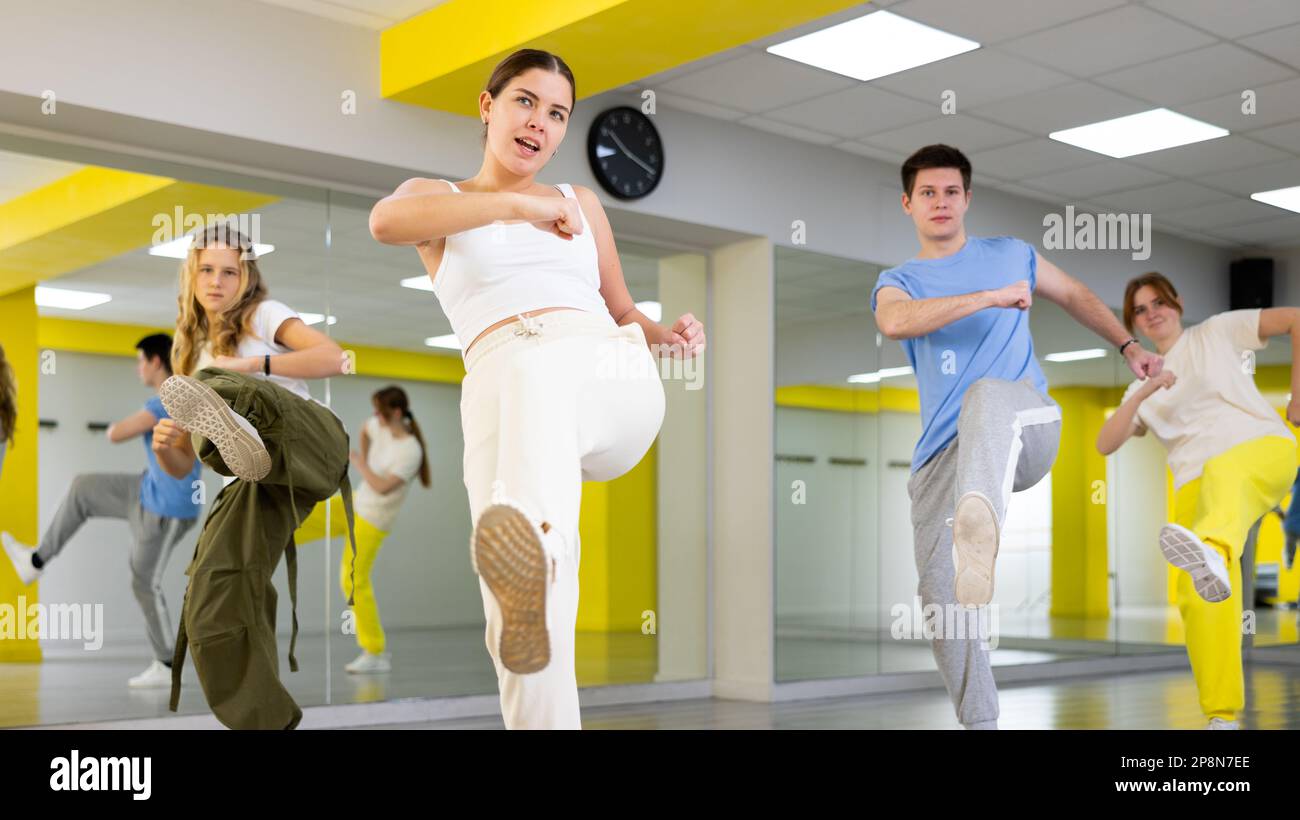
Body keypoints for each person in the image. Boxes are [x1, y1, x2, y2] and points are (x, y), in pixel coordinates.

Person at [370, 48, 705, 729]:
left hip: (606, 376)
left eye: (557, 114)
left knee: (534, 379)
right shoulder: (440, 198)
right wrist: (515, 205)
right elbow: (384, 223)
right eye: (525, 101)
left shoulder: (580, 203)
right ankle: (534, 583)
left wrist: (665, 334)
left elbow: (623, 311)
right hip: (501, 389)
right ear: (487, 106)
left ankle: (539, 553)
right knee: (517, 624)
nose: (539, 124)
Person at [870, 144, 1162, 730]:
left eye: (951, 191)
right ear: (908, 204)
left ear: (967, 199)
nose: (941, 202)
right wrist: (989, 297)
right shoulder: (899, 280)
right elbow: (895, 321)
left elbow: (1077, 294)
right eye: (928, 193)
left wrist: (1128, 345)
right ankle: (981, 722)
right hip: (941, 456)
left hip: (1026, 423)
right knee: (942, 603)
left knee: (985, 394)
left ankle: (981, 519)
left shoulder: (1011, 254)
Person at [150, 223, 356, 730]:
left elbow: (336, 358)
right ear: (190, 275)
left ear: (247, 277)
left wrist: (246, 366)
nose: (217, 281)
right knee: (212, 598)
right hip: (253, 483)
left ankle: (248, 426)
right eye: (206, 270)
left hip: (310, 447)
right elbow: (188, 465)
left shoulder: (265, 314)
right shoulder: (188, 352)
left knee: (216, 379)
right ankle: (267, 721)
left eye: (230, 271)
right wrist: (166, 451)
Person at [1097, 272, 1298, 730]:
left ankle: (1212, 546)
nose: (1153, 314)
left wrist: (1298, 396)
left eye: (1159, 302)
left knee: (1224, 474)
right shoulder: (1141, 388)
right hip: (1194, 486)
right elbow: (1105, 443)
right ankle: (1221, 714)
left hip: (1259, 450)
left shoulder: (1217, 331)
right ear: (1135, 324)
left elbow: (1295, 320)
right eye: (1141, 311)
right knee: (1197, 594)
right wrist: (1145, 390)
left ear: (1178, 302)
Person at [1, 334, 201, 687]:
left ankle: (168, 664)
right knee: (83, 488)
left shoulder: (168, 399)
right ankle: (36, 561)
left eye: (141, 360)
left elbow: (116, 434)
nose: (138, 367)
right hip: (145, 490)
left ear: (156, 361)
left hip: (170, 506)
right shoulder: (166, 399)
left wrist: (120, 425)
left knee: (144, 582)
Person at [291, 386, 428, 674]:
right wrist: (363, 453)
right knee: (299, 516)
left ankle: (374, 651)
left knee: (352, 580)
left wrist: (360, 463)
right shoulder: (377, 425)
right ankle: (265, 541)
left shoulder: (411, 451)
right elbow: (365, 430)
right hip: (355, 504)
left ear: (397, 412)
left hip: (373, 520)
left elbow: (382, 486)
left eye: (380, 410)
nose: (375, 416)